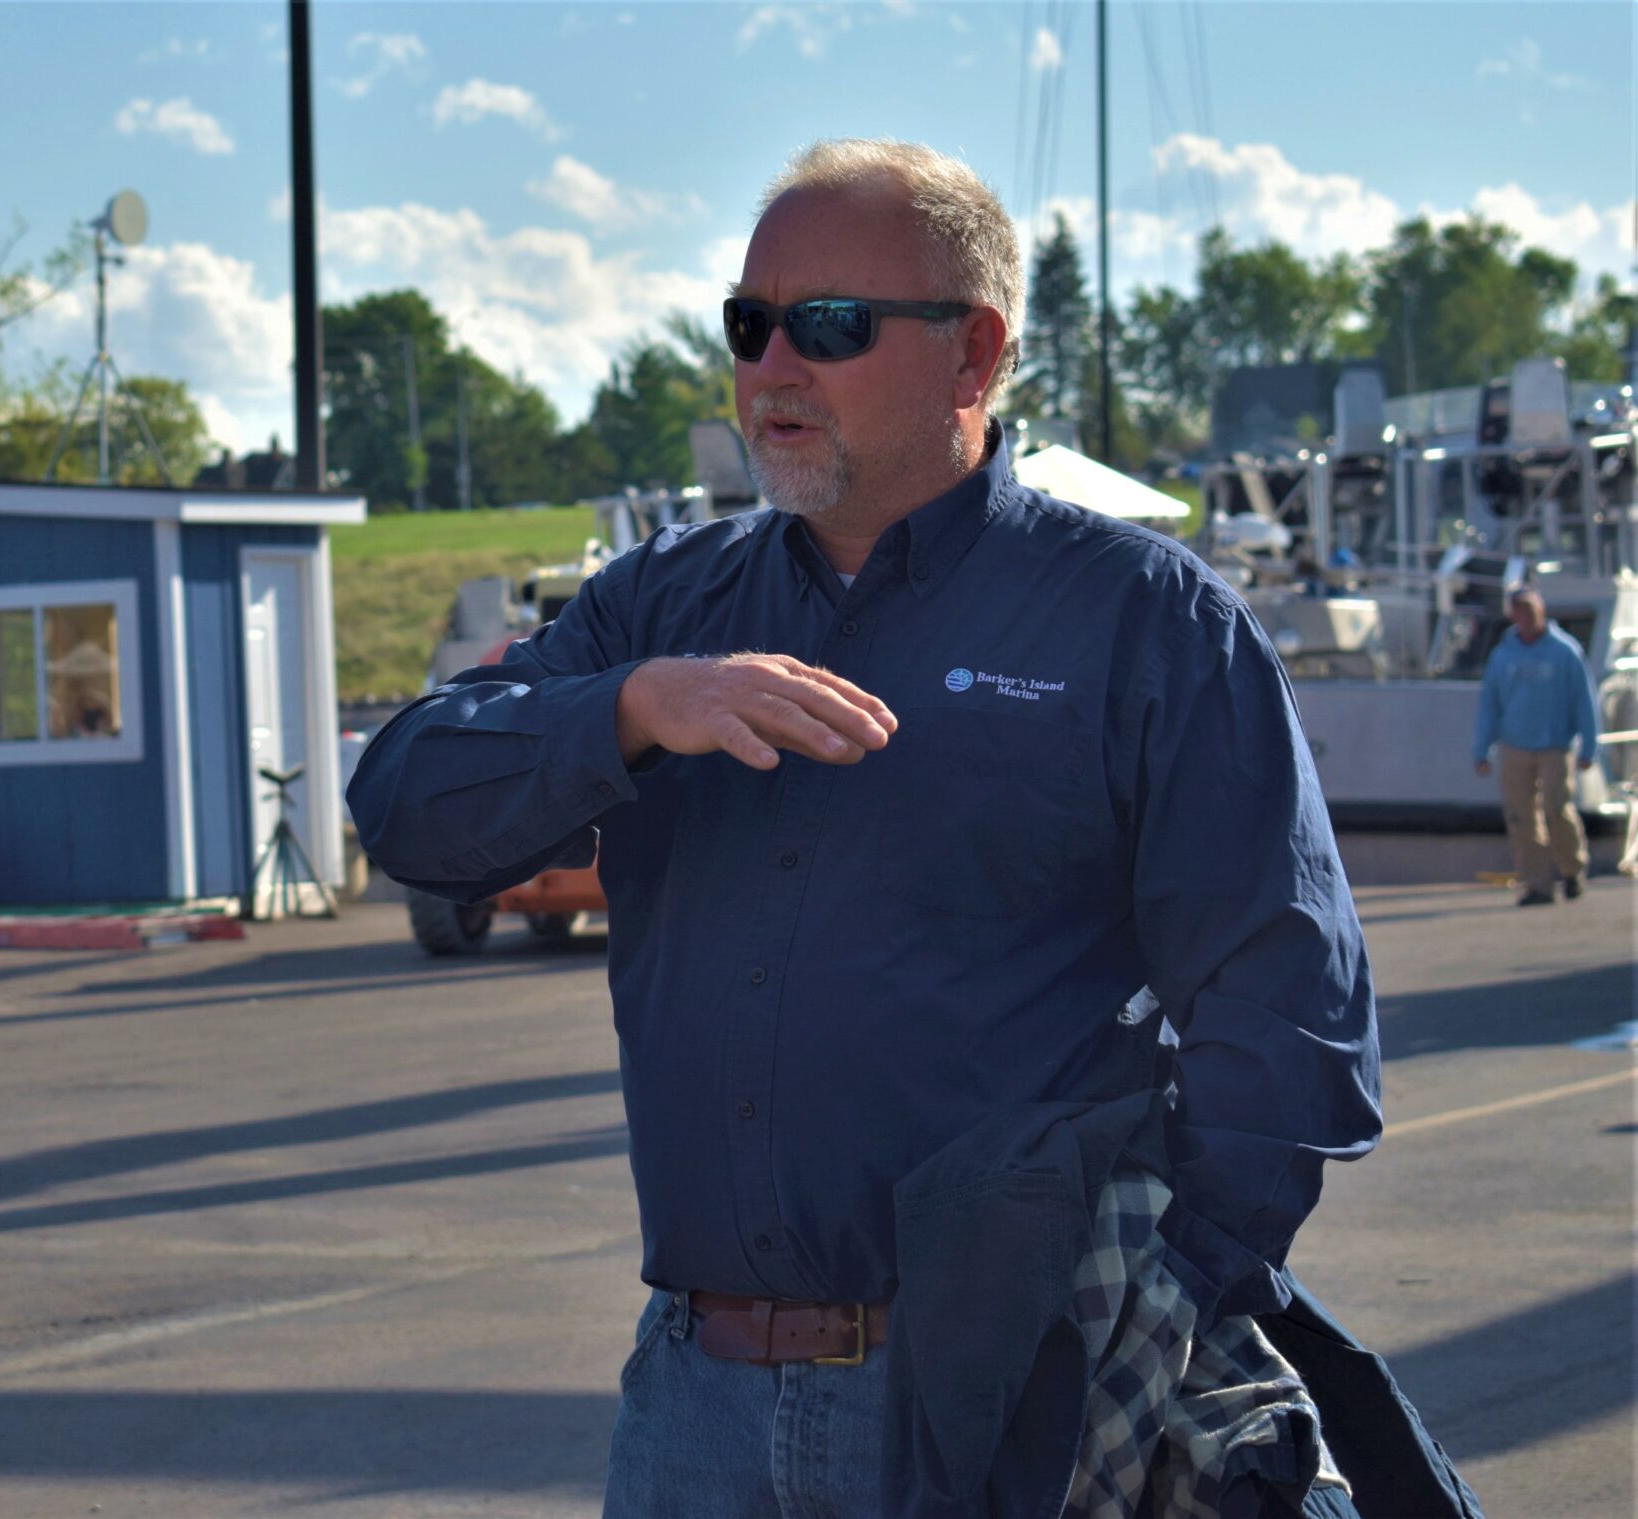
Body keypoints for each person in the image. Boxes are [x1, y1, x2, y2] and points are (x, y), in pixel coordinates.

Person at [351, 139, 1381, 1517]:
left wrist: (1150, 1318)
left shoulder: (1147, 620)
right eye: (749, 323)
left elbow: (1292, 1015)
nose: (774, 365)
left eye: (829, 325)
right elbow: (406, 803)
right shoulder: (659, 611)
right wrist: (638, 706)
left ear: (975, 354)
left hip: (997, 1403)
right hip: (695, 1411)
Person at [1473, 586, 1598, 907]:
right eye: (1518, 610)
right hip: (1515, 745)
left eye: (1529, 609)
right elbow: (1490, 705)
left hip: (1556, 744)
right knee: (1521, 816)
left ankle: (1572, 869)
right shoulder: (1503, 655)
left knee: (1557, 807)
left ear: (1540, 611)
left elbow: (1584, 700)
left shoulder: (1564, 651)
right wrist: (1482, 749)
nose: (1524, 616)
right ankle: (1537, 883)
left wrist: (1589, 746)